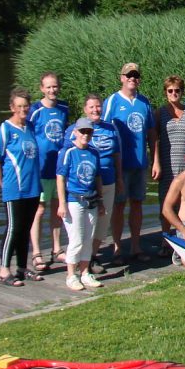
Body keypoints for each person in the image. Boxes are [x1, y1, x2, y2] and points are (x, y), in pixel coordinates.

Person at [103, 62, 157, 262]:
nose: (132, 79)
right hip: (120, 164)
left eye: (135, 75)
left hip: (140, 162)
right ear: (122, 78)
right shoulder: (112, 102)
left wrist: (155, 159)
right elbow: (103, 130)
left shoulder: (144, 102)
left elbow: (151, 132)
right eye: (128, 75)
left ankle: (136, 246)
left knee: (137, 203)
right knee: (118, 205)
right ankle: (117, 247)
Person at [0, 87, 42, 287]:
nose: (23, 110)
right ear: (12, 107)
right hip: (14, 188)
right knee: (13, 228)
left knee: (25, 228)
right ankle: (4, 270)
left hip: (32, 187)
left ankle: (21, 266)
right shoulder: (5, 129)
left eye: (26, 106)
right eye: (19, 106)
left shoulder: (30, 127)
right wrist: (3, 184)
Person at [65, 94, 121, 273]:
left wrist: (119, 178)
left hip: (108, 181)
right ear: (85, 109)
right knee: (83, 227)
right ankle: (79, 264)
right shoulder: (75, 130)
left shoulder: (110, 129)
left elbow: (117, 155)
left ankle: (91, 258)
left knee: (102, 224)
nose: (96, 110)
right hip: (84, 186)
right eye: (91, 107)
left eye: (98, 106)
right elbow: (67, 158)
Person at [56, 118, 106, 291]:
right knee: (76, 238)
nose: (86, 135)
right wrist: (62, 203)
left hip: (91, 199)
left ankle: (85, 272)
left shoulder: (94, 152)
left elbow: (98, 177)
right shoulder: (68, 152)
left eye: (89, 132)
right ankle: (71, 275)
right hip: (74, 200)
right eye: (83, 131)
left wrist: (100, 200)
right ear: (75, 132)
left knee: (88, 238)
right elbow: (61, 178)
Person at [153, 75, 185, 256]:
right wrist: (156, 162)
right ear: (166, 93)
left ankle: (183, 237)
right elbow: (155, 139)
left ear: (182, 92)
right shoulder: (160, 113)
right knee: (166, 201)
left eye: (177, 90)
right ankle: (165, 239)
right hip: (167, 163)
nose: (174, 94)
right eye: (170, 91)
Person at [28, 72, 69, 269]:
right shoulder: (34, 110)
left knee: (57, 209)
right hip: (40, 168)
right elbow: (27, 135)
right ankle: (36, 252)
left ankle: (56, 248)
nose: (52, 90)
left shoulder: (64, 108)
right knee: (39, 210)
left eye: (55, 86)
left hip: (58, 169)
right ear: (42, 89)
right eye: (48, 87)